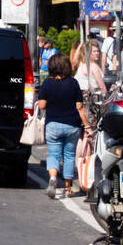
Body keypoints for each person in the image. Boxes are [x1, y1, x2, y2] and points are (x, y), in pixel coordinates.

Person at [36, 53, 87, 199]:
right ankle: (68, 188)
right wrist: (87, 125)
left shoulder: (47, 83)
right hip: (72, 125)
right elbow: (80, 106)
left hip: (53, 124)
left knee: (53, 154)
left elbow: (42, 105)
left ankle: (52, 179)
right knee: (69, 156)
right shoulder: (73, 83)